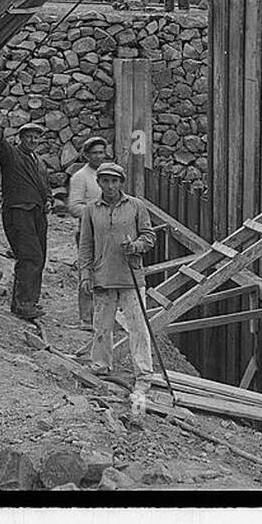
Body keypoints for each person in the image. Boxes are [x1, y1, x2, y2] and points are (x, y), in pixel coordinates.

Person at [78, 162, 156, 388]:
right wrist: (85, 274)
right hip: (102, 276)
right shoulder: (91, 210)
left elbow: (149, 236)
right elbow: (86, 245)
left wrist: (136, 246)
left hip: (130, 275)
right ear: (99, 182)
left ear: (121, 183)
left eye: (114, 181)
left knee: (138, 326)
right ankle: (100, 365)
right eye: (105, 181)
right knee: (102, 325)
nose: (110, 186)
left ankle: (143, 371)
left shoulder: (136, 206)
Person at [0, 102, 52, 322]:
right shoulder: (11, 155)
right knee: (29, 256)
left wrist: (49, 200)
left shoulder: (38, 161)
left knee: (38, 257)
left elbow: (44, 185)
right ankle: (23, 305)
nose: (33, 140)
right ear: (21, 139)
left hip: (37, 213)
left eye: (36, 137)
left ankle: (27, 301)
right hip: (19, 212)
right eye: (29, 137)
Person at [67, 136, 106, 329]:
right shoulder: (80, 177)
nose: (99, 156)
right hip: (88, 232)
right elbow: (74, 206)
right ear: (86, 155)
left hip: (109, 232)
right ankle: (87, 317)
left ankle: (105, 314)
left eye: (101, 152)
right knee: (88, 271)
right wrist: (97, 214)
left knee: (108, 270)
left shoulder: (109, 174)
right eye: (94, 153)